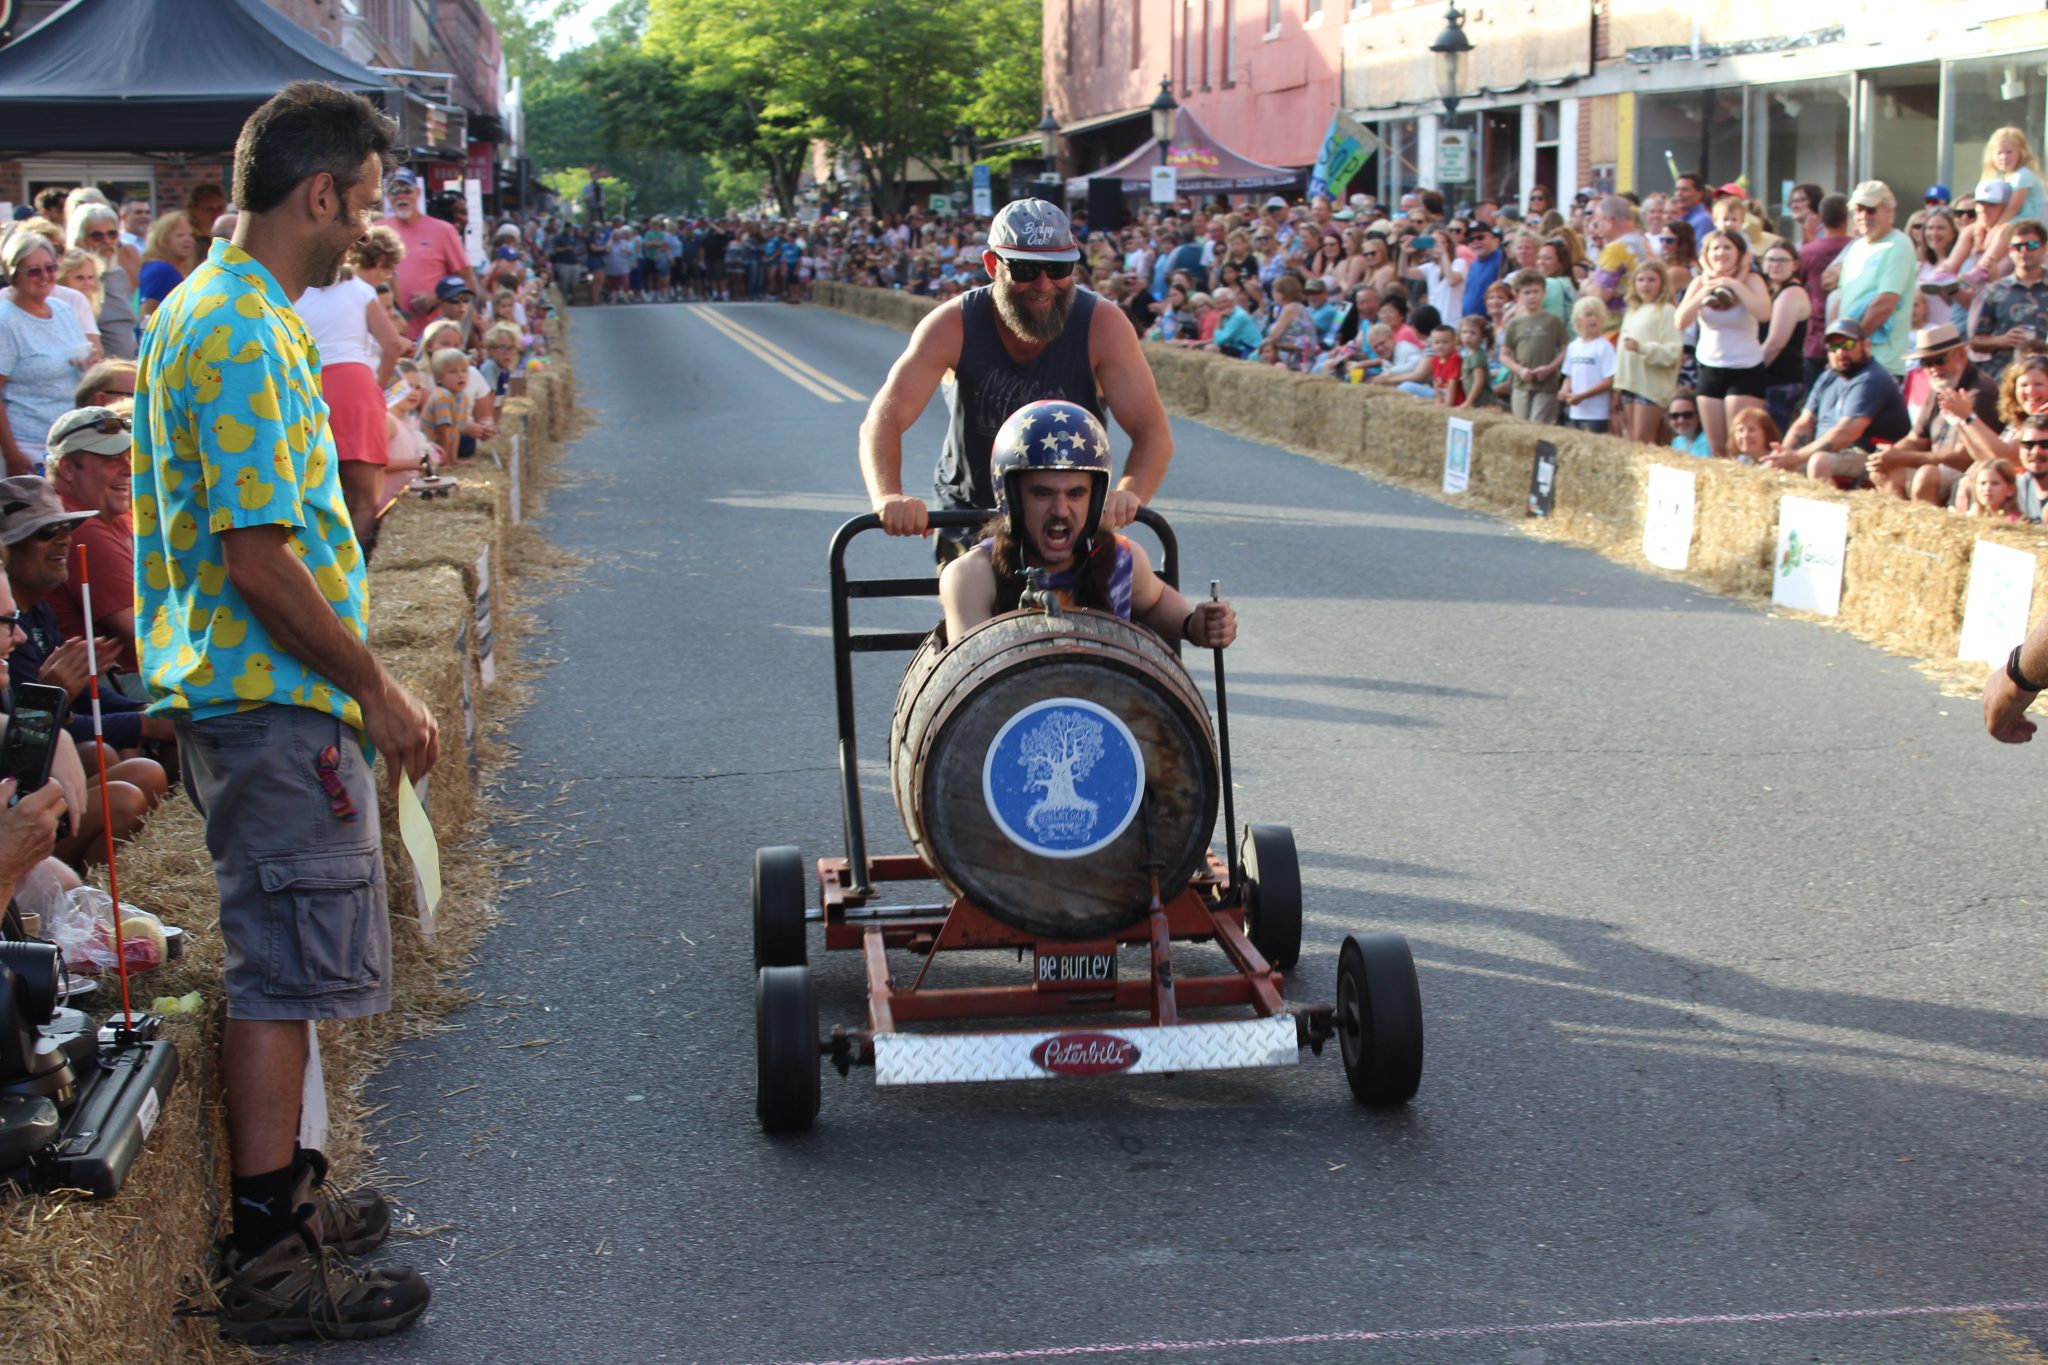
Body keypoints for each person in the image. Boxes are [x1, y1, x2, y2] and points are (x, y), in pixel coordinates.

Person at [134, 81, 437, 1342]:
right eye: (362, 203)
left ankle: (291, 1206)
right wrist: (377, 683)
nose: (363, 227)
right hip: (271, 700)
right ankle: (268, 1249)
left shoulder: (208, 304)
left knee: (291, 967)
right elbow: (261, 558)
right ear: (316, 193)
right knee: (279, 976)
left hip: (240, 691)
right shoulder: (247, 330)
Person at [858, 200, 1172, 563]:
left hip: (1067, 517)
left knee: (1098, 610)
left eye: (1059, 268)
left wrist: (1129, 494)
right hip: (971, 515)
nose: (1043, 284)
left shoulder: (1103, 325)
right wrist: (888, 497)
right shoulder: (951, 325)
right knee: (970, 605)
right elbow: (884, 419)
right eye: (1024, 269)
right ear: (993, 265)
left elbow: (1153, 433)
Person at [938, 400, 1235, 649]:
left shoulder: (1122, 559)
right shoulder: (972, 576)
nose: (1060, 509)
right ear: (1012, 500)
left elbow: (1155, 600)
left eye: (1076, 494)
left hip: (1110, 710)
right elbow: (972, 686)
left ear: (1095, 501)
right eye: (1042, 493)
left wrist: (1195, 623)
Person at [295, 226, 406, 551]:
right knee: (362, 499)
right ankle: (353, 575)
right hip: (356, 388)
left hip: (309, 388)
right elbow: (392, 345)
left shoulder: (295, 291)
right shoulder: (361, 291)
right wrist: (378, 385)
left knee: (313, 496)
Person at [45, 407, 143, 674]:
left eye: (130, 456)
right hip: (113, 689)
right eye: (112, 459)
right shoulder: (81, 529)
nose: (129, 469)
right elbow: (145, 635)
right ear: (67, 467)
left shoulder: (107, 515)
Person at [1867, 323, 2002, 503]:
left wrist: (1900, 457)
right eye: (1927, 362)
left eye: (1940, 360)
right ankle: (1898, 528)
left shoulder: (1980, 392)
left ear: (1961, 355)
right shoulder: (1940, 387)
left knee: (1926, 475)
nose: (1934, 368)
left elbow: (1962, 459)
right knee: (1888, 471)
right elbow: (1916, 439)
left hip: (1971, 474)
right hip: (1939, 466)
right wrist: (1886, 457)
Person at [1762, 318, 1911, 480]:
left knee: (1819, 462)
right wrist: (1783, 454)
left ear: (1865, 345)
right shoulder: (1827, 377)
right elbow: (1804, 423)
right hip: (1830, 453)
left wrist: (1796, 457)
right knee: (1771, 467)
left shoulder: (1871, 379)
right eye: (1834, 346)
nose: (1840, 352)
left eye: (1847, 345)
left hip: (1869, 456)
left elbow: (1846, 433)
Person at [0, 233, 92, 476]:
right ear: (14, 274)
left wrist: (88, 363)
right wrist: (11, 454)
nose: (44, 276)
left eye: (50, 268)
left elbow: (81, 355)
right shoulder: (6, 321)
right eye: (33, 271)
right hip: (28, 446)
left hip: (68, 441)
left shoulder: (63, 310)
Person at [1675, 228, 1771, 458]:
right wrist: (1705, 291)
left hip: (1744, 369)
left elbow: (1764, 313)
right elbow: (1680, 320)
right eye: (1715, 248)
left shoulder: (1753, 279)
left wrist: (1735, 284)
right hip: (1710, 368)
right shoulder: (1699, 282)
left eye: (1727, 247)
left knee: (1739, 446)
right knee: (1717, 448)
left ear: (1739, 252)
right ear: (1707, 255)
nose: (1721, 253)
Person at [1828, 182, 1919, 380]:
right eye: (1858, 210)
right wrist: (1836, 346)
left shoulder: (1899, 243)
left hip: (1881, 363)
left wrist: (1851, 345)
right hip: (1850, 360)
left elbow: (1885, 303)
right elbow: (1842, 298)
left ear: (1888, 210)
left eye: (1871, 210)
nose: (1863, 216)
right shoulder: (1856, 248)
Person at [376, 168, 476, 340]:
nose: (401, 195)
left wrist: (437, 297)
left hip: (435, 335)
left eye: (407, 189)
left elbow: (468, 282)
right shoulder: (377, 231)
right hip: (389, 334)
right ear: (387, 196)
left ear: (418, 192)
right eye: (394, 190)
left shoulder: (443, 230)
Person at [1970, 217, 2048, 385]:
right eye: (2017, 247)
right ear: (2009, 251)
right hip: (2004, 379)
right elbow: (1975, 342)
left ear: (2044, 248)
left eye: (2031, 245)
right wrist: (2003, 340)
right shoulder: (1996, 290)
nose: (2024, 251)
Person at [1616, 261, 1681, 444]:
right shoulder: (1632, 311)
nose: (1645, 285)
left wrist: (1643, 348)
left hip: (1651, 388)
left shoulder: (1667, 311)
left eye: (1651, 280)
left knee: (1644, 441)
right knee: (1631, 440)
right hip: (1629, 384)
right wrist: (1617, 385)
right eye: (1641, 280)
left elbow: (1673, 352)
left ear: (1662, 282)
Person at [66, 204, 137, 361]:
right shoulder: (73, 277)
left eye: (112, 234)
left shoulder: (119, 274)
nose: (107, 241)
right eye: (97, 236)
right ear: (80, 239)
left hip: (127, 366)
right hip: (96, 371)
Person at [1797, 193, 1852, 389]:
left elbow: (1797, 283)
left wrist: (1809, 241)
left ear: (1820, 218)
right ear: (1847, 218)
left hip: (1817, 339)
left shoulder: (1808, 251)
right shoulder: (1857, 248)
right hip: (1850, 336)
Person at [1758, 242, 1812, 433]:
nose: (1776, 264)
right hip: (1775, 381)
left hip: (1781, 382)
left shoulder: (1791, 293)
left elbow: (1775, 344)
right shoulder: (1774, 292)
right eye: (1771, 259)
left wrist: (1749, 373)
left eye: (1782, 260)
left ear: (1795, 264)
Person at [1502, 269, 1568, 423]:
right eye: (1527, 292)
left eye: (1535, 291)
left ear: (1543, 293)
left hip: (1546, 385)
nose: (1532, 296)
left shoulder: (1553, 321)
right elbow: (1504, 354)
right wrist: (1520, 370)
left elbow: (1565, 350)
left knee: (1539, 424)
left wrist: (1550, 368)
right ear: (1518, 296)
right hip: (1521, 384)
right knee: (1521, 426)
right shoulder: (1514, 323)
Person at [1559, 297, 1617, 432]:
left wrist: (1583, 396)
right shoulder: (1573, 346)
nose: (1594, 319)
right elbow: (1569, 375)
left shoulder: (1605, 347)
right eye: (1589, 315)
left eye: (1597, 315)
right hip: (1575, 412)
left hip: (1596, 413)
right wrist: (1564, 390)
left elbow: (1609, 380)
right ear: (1578, 319)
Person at [135, 211, 199, 326]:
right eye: (180, 235)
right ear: (163, 240)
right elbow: (146, 318)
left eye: (190, 235)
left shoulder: (176, 269)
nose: (188, 240)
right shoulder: (160, 270)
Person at [1667, 389, 1710, 455]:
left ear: (1699, 416)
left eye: (1687, 415)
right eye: (1675, 416)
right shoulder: (1676, 442)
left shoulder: (1709, 443)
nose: (1681, 420)